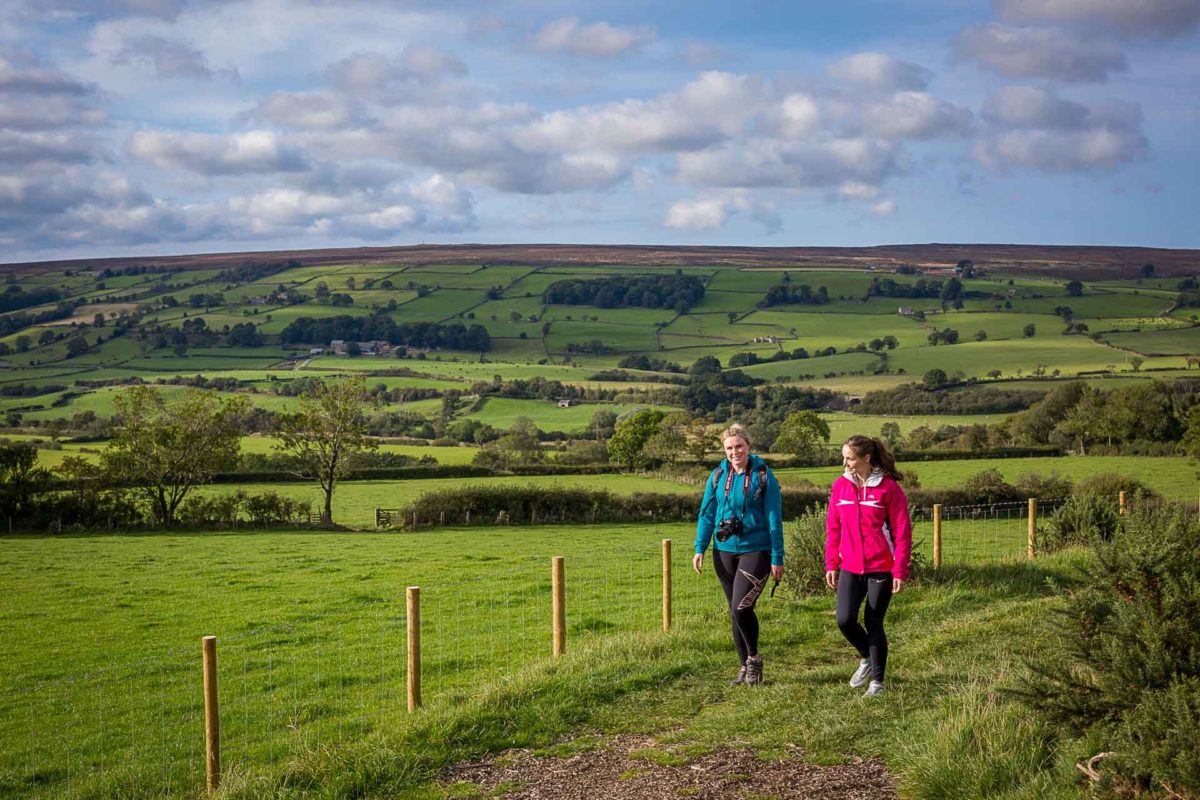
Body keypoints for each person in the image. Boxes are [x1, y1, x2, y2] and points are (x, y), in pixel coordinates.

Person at [693, 424, 784, 686]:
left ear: (748, 446)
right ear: (724, 450)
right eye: (729, 448)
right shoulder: (718, 475)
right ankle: (743, 666)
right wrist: (700, 547)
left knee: (740, 607)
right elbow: (707, 514)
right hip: (723, 552)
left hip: (756, 549)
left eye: (739, 446)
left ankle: (754, 659)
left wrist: (778, 556)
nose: (735, 452)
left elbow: (774, 518)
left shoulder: (764, 475)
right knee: (735, 612)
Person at [825, 435, 912, 697]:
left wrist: (900, 569)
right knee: (844, 619)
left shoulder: (888, 489)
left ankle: (877, 683)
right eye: (843, 457)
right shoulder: (840, 486)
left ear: (866, 458)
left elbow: (902, 531)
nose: (845, 463)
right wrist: (831, 563)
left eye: (850, 458)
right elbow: (833, 528)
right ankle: (866, 657)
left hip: (881, 567)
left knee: (874, 623)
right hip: (850, 566)